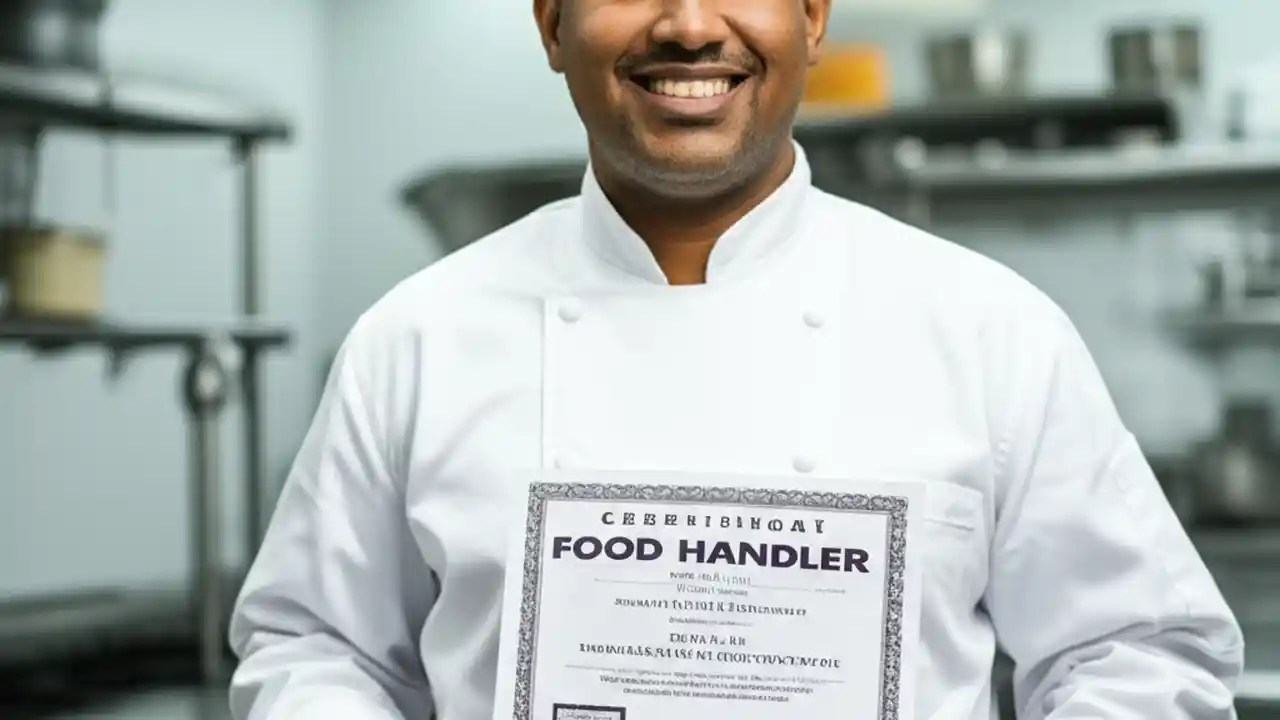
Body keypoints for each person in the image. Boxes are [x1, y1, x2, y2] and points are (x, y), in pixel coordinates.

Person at [228, 1, 1245, 718]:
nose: (685, 22)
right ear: (549, 22)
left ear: (809, 16)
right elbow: (321, 650)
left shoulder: (988, 332)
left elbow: (1138, 652)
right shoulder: (414, 339)